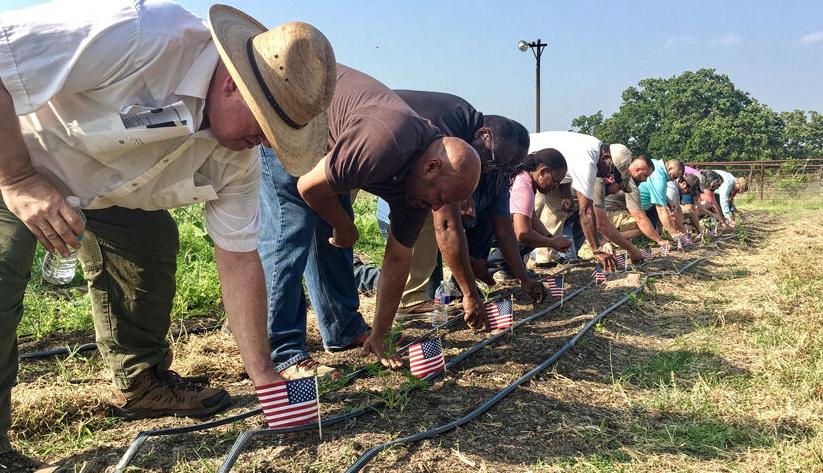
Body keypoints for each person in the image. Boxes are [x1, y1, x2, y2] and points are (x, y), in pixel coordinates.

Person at [0, 1, 336, 467]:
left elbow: (239, 259)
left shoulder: (237, 159)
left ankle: (141, 383)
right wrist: (17, 179)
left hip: (109, 189)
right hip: (18, 155)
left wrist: (263, 375)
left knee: (151, 250)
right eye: (266, 127)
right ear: (233, 84)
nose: (266, 143)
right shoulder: (139, 34)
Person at [259, 65, 481, 378]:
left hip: (327, 139)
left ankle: (344, 330)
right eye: (442, 197)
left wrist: (381, 332)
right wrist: (345, 227)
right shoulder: (387, 141)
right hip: (290, 107)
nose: (439, 207)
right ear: (431, 167)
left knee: (331, 225)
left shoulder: (419, 193)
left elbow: (397, 258)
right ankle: (282, 354)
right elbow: (307, 187)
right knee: (291, 225)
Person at [354, 92, 547, 326]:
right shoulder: (451, 134)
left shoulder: (494, 169)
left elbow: (504, 229)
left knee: (425, 285)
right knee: (336, 238)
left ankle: (404, 296)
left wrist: (523, 279)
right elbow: (446, 225)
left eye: (508, 167)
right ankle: (359, 276)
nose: (495, 170)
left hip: (414, 204)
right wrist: (470, 295)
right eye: (496, 162)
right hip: (365, 153)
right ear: (483, 135)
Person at [527, 132, 621, 270]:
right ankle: (512, 262)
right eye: (609, 171)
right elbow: (586, 212)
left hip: (550, 171)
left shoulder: (593, 148)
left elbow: (566, 163)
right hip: (531, 164)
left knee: (557, 209)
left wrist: (565, 194)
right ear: (606, 157)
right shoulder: (588, 161)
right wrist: (596, 250)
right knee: (530, 211)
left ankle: (545, 257)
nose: (607, 176)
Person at [486, 148, 571, 275]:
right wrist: (552, 242)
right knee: (526, 240)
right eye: (554, 181)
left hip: (493, 224)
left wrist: (551, 239)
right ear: (543, 171)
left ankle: (510, 270)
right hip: (485, 227)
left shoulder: (527, 179)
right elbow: (523, 233)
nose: (555, 187)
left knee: (535, 237)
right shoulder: (523, 186)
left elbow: (532, 218)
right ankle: (486, 267)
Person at [602, 155, 671, 249]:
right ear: (638, 170)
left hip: (605, 212)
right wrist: (659, 240)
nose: (646, 180)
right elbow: (639, 218)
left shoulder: (623, 174)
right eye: (645, 175)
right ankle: (607, 239)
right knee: (641, 225)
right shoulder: (631, 185)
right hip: (607, 214)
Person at [637, 158, 686, 241]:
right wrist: (674, 234)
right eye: (674, 176)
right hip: (638, 208)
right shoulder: (659, 179)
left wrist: (667, 203)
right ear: (669, 168)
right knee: (645, 230)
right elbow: (661, 209)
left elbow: (657, 192)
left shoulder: (655, 163)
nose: (673, 179)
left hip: (644, 206)